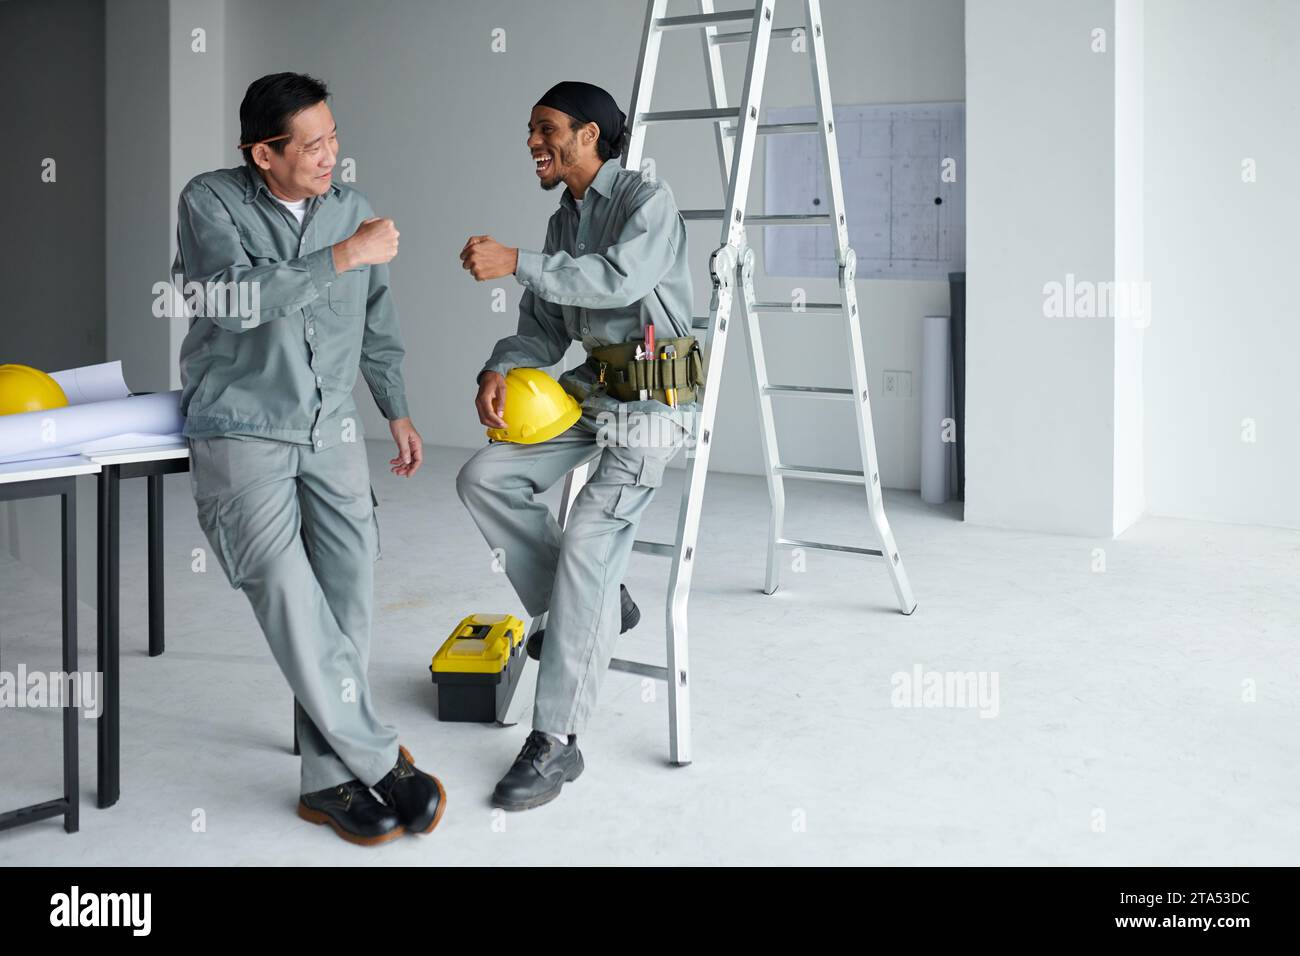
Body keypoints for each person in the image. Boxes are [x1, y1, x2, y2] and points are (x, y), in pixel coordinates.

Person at [175, 72, 444, 845]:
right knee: (293, 601)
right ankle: (377, 762)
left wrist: (395, 409)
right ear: (263, 152)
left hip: (333, 433)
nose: (332, 154)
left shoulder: (352, 211)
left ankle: (325, 778)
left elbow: (377, 318)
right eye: (314, 143)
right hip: (243, 430)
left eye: (333, 137)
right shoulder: (210, 202)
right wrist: (341, 257)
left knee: (348, 601)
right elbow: (229, 298)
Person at [458, 81, 698, 811]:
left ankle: (556, 742)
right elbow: (543, 328)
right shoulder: (563, 222)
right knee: (483, 477)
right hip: (593, 394)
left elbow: (618, 277)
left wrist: (518, 259)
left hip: (653, 403)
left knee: (591, 541)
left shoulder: (645, 203)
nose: (533, 142)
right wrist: (499, 364)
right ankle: (592, 608)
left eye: (546, 128)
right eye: (530, 129)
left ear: (589, 136)